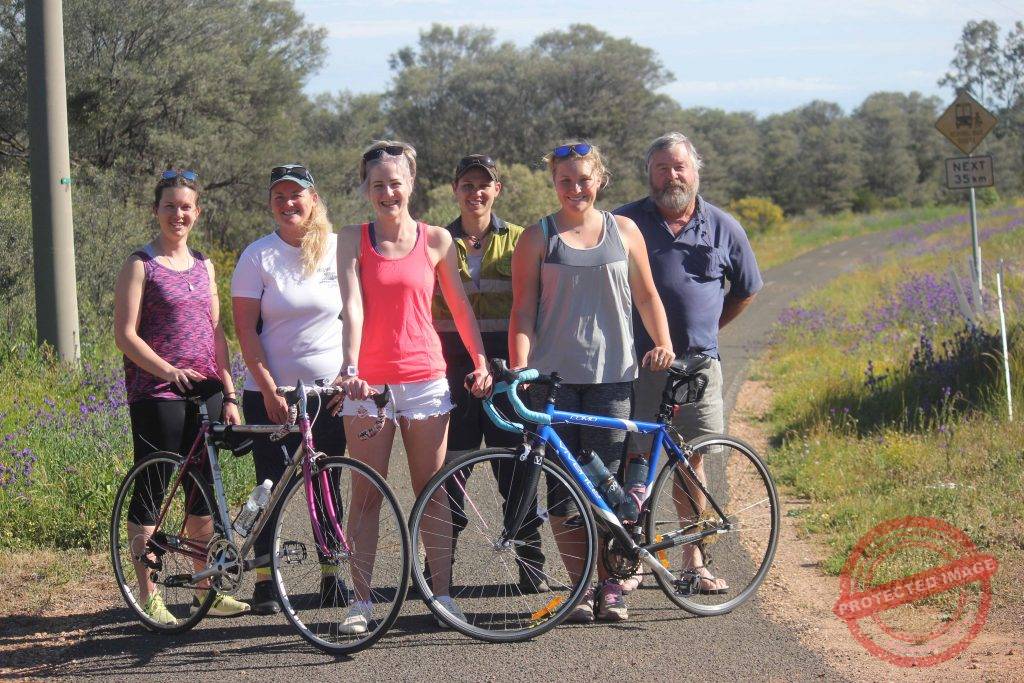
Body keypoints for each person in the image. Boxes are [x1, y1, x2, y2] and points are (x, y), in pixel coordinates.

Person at [330, 140, 492, 634]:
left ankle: (441, 595)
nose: (387, 193)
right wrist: (350, 363)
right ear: (367, 190)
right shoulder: (351, 239)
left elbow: (459, 308)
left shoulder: (437, 239)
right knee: (366, 493)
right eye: (377, 185)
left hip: (424, 376)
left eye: (395, 183)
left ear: (411, 184)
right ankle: (361, 602)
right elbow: (352, 306)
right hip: (368, 383)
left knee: (433, 491)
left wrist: (482, 359)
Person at [508, 141, 674, 623]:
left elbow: (646, 296)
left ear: (600, 179)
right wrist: (520, 367)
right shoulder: (537, 238)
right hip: (552, 382)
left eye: (584, 179)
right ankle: (580, 587)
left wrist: (661, 343)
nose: (575, 188)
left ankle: (611, 585)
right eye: (565, 180)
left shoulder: (624, 231)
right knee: (562, 494)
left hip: (612, 377)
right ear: (554, 183)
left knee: (605, 489)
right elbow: (522, 310)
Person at [614, 132, 763, 594]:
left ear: (696, 170)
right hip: (636, 365)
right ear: (649, 175)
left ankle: (694, 561)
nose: (671, 175)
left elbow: (746, 289)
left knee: (691, 460)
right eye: (661, 168)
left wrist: (707, 330)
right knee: (634, 459)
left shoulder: (723, 226)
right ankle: (636, 558)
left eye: (679, 166)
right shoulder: (624, 222)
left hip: (697, 366)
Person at [114, 169, 250, 623]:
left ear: (197, 212)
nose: (178, 214)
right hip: (157, 391)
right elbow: (125, 335)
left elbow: (217, 334)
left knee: (204, 491)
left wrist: (229, 393)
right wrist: (169, 372)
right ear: (156, 211)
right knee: (153, 486)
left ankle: (203, 590)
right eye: (170, 205)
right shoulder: (141, 264)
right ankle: (148, 595)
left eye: (186, 206)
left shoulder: (205, 265)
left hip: (206, 392)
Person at [231, 164, 348, 615]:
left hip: (326, 393)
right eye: (278, 196)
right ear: (271, 204)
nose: (288, 204)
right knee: (269, 486)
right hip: (271, 393)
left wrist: (346, 377)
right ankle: (264, 580)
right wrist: (269, 391)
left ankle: (332, 575)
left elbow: (356, 318)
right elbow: (246, 330)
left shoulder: (337, 250)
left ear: (313, 199)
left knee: (328, 481)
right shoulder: (257, 255)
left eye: (296, 195)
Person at [431, 154, 547, 594]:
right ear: (454, 189)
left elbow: (536, 306)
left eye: (484, 184)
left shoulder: (521, 239)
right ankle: (440, 574)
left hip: (507, 367)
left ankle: (531, 568)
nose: (475, 192)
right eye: (467, 184)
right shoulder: (437, 240)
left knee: (517, 471)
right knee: (451, 472)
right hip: (451, 367)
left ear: (497, 189)